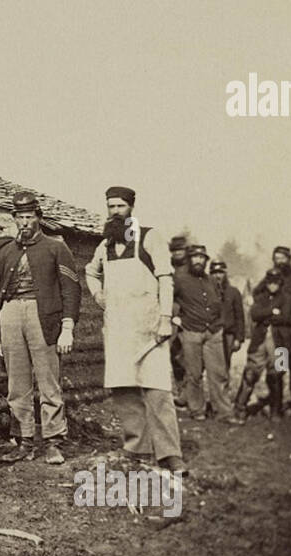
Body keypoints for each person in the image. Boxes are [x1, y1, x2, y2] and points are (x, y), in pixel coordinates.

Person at [83, 186, 186, 475]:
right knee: (125, 390)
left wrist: (165, 318)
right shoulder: (104, 246)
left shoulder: (149, 237)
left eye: (121, 206)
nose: (115, 212)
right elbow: (91, 271)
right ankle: (136, 447)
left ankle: (170, 455)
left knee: (158, 391)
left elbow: (165, 279)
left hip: (150, 329)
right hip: (119, 330)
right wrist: (98, 296)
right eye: (111, 207)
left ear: (131, 208)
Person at [0, 191, 81, 463]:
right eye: (20, 217)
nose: (25, 222)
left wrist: (67, 327)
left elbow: (71, 290)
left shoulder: (55, 247)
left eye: (29, 217)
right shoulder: (6, 252)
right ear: (14, 219)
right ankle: (24, 440)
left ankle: (53, 441)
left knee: (48, 380)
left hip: (44, 315)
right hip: (11, 313)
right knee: (17, 382)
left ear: (38, 218)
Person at [173, 245, 242, 423]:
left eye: (202, 257)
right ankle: (197, 410)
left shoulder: (211, 280)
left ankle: (224, 412)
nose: (198, 261)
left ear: (205, 260)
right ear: (189, 259)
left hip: (213, 332)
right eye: (195, 257)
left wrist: (218, 323)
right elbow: (166, 299)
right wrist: (175, 319)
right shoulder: (179, 280)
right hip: (191, 332)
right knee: (194, 375)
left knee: (219, 374)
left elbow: (219, 303)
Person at [236, 267, 291, 421]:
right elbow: (255, 314)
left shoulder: (288, 298)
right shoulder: (261, 298)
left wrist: (269, 315)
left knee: (278, 374)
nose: (272, 285)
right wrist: (273, 311)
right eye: (270, 282)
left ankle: (276, 410)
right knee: (251, 373)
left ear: (280, 283)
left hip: (282, 342)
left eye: (276, 283)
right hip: (259, 341)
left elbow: (287, 318)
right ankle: (240, 408)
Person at [210, 260, 244, 394]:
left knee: (224, 368)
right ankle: (212, 400)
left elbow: (240, 317)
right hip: (211, 334)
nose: (217, 276)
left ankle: (223, 398)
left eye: (220, 273)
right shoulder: (207, 291)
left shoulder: (234, 292)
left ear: (225, 274)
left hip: (228, 335)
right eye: (214, 273)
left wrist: (238, 338)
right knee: (212, 368)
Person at [168, 236, 189, 408]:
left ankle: (188, 394)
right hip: (170, 315)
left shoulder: (190, 269)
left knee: (187, 356)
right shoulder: (168, 267)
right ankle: (181, 391)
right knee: (174, 355)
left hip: (187, 317)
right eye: (174, 251)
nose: (177, 253)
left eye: (180, 250)